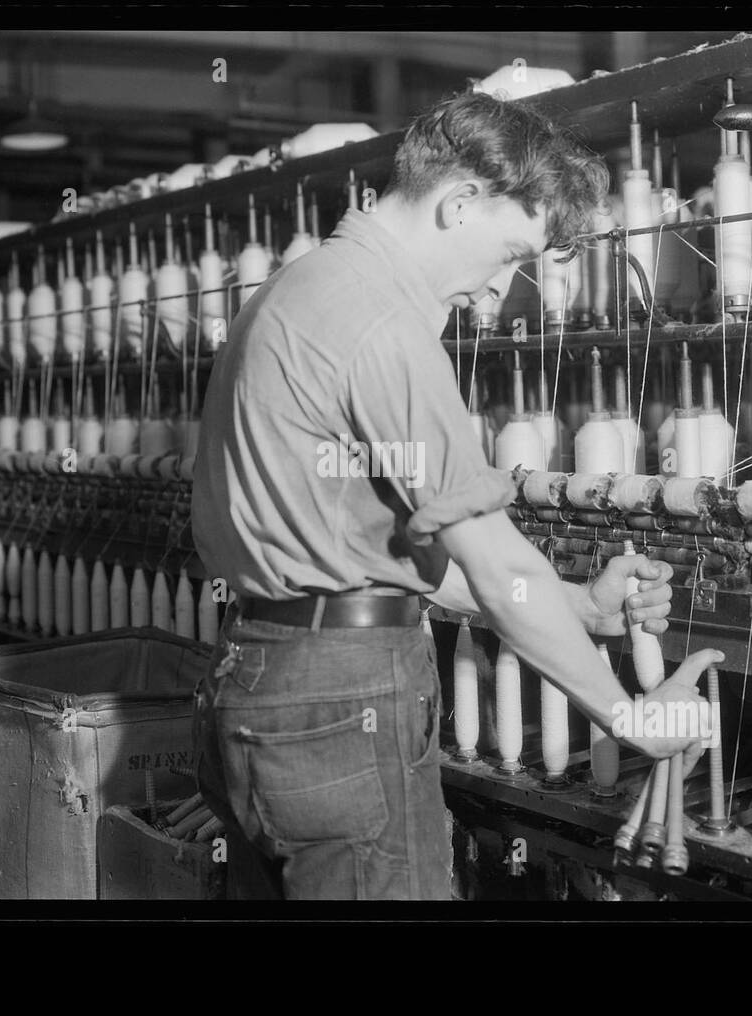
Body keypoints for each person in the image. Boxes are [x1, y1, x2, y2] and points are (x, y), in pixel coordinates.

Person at [190, 90, 722, 900]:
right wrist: (631, 715)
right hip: (341, 704)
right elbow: (493, 556)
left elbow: (364, 551)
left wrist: (577, 606)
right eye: (510, 252)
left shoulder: (293, 293)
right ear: (459, 202)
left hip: (260, 682)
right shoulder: (383, 327)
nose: (502, 288)